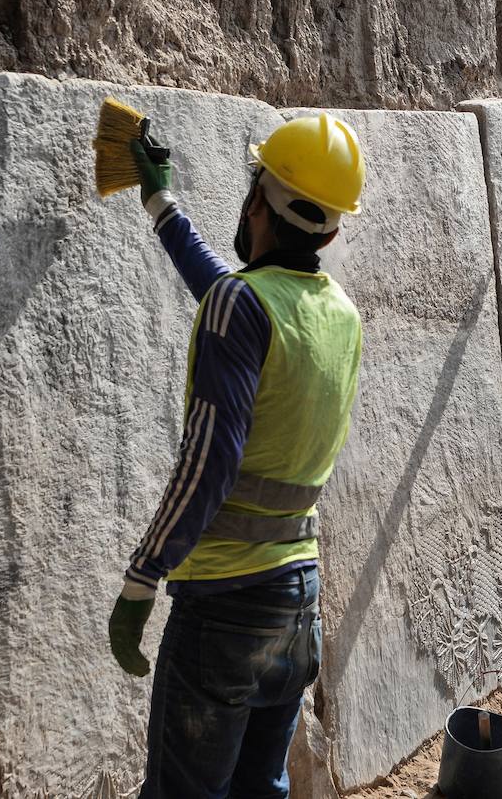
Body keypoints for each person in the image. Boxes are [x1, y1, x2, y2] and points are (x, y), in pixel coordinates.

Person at [108, 113, 365, 796]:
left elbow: (208, 466)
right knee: (261, 790)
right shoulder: (338, 313)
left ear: (258, 201)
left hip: (225, 608)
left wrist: (143, 577)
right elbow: (232, 300)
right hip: (296, 603)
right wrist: (162, 205)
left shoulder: (242, 305)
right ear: (332, 229)